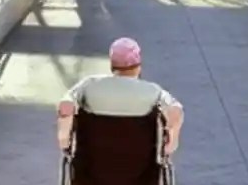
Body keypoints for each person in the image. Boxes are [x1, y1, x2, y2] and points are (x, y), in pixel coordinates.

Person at [56, 37, 184, 155]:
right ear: (138, 66)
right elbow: (175, 110)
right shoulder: (153, 91)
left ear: (112, 65)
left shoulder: (89, 85)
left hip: (91, 163)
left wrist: (64, 139)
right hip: (141, 165)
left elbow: (66, 105)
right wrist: (171, 143)